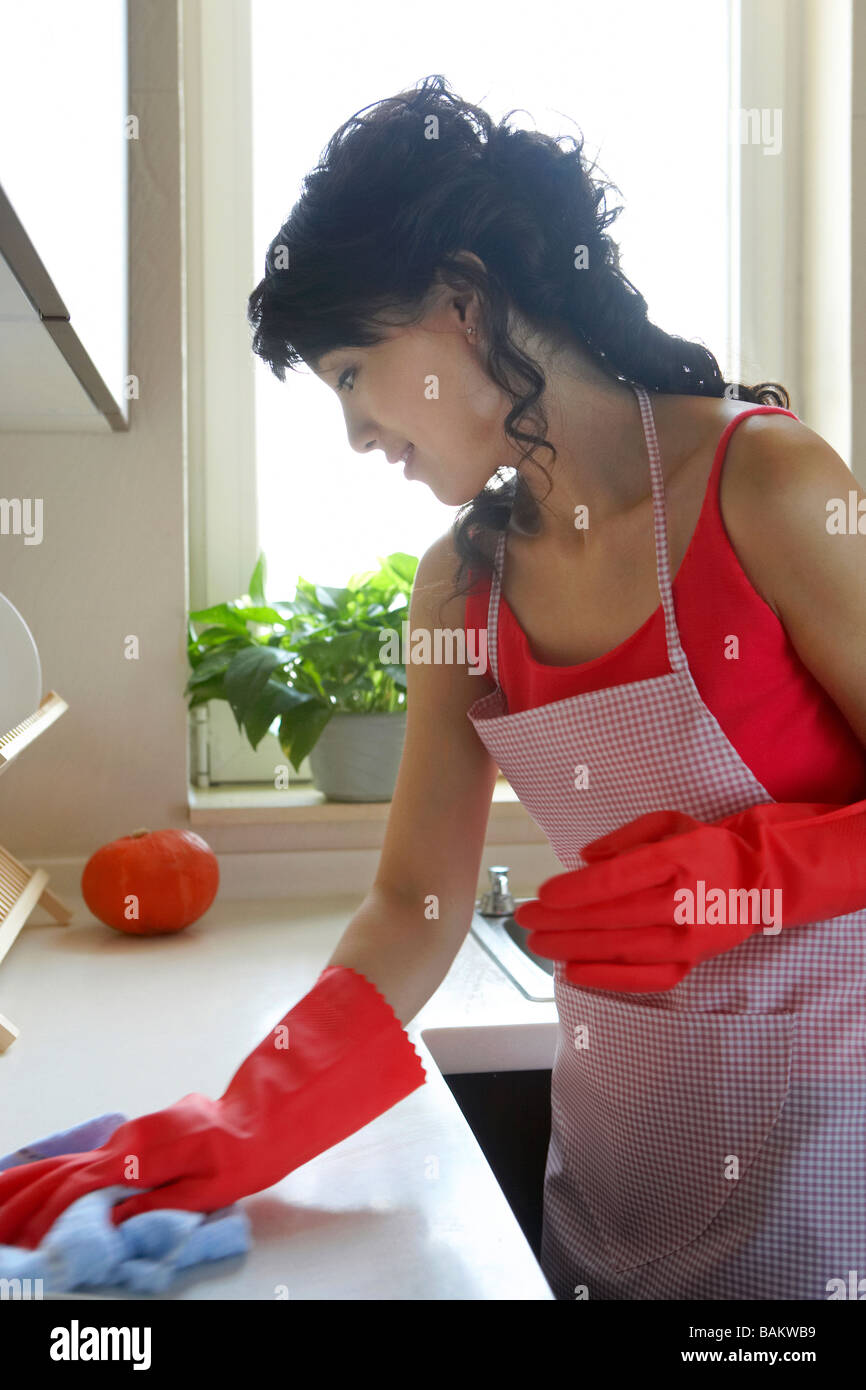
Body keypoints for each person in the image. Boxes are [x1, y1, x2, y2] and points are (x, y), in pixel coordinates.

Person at [2, 75, 865, 1301]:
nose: (355, 432)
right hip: (615, 1173)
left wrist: (752, 877)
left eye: (355, 370)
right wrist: (245, 1119)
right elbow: (413, 902)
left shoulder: (765, 485)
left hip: (829, 1182)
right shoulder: (462, 591)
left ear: (461, 301)